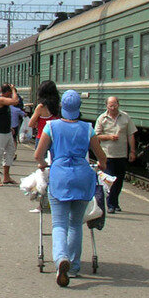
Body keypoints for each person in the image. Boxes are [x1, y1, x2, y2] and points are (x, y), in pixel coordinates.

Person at [34, 90, 106, 287]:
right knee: (75, 224)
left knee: (59, 223)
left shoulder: (52, 127)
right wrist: (101, 165)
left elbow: (38, 155)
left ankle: (61, 259)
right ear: (79, 108)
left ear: (61, 108)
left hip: (61, 177)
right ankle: (73, 267)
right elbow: (101, 157)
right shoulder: (88, 128)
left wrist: (42, 164)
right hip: (83, 178)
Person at [94, 96, 138, 214]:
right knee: (109, 181)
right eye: (110, 105)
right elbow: (96, 136)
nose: (113, 107)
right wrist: (108, 137)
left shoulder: (125, 117)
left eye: (115, 104)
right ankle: (110, 204)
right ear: (107, 106)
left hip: (121, 154)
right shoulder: (102, 118)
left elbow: (131, 135)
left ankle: (115, 202)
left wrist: (132, 151)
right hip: (107, 154)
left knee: (119, 181)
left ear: (118, 104)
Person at [0, 83, 21, 186]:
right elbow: (15, 101)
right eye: (10, 92)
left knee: (10, 153)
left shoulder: (4, 101)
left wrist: (10, 128)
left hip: (6, 131)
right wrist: (14, 90)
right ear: (7, 92)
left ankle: (6, 177)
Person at [28, 80, 60, 147]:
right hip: (55, 139)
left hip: (42, 138)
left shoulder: (41, 107)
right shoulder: (58, 106)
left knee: (40, 157)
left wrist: (37, 122)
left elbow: (30, 124)